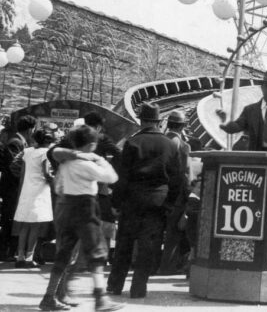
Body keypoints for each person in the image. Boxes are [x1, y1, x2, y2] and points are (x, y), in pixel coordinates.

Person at [39, 125, 122, 311]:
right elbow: (111, 177)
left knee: (63, 254)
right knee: (96, 253)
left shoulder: (66, 163)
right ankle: (100, 298)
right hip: (86, 208)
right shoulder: (88, 165)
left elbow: (58, 186)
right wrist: (100, 159)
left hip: (66, 206)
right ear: (92, 145)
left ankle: (49, 296)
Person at [106, 103, 184, 299]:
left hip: (132, 200)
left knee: (124, 244)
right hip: (158, 203)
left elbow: (122, 177)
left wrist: (116, 203)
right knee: (149, 247)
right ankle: (138, 288)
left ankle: (115, 285)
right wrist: (169, 204)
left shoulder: (133, 143)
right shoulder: (170, 145)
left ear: (141, 121)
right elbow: (178, 179)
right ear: (158, 122)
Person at [218, 70, 267, 152]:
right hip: (257, 157)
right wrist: (225, 121)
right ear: (262, 88)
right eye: (266, 86)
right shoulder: (250, 110)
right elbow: (236, 127)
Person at [13, 128, 55, 268]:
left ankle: (19, 256)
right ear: (48, 141)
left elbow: (22, 171)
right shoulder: (46, 153)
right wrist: (56, 181)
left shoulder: (28, 151)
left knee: (24, 225)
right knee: (35, 226)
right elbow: (46, 173)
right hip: (40, 192)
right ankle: (29, 257)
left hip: (26, 190)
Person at [157, 110, 191, 275]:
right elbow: (181, 172)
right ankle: (167, 267)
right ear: (182, 126)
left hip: (160, 191)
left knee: (157, 231)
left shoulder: (162, 139)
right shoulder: (179, 143)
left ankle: (153, 265)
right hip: (175, 194)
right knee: (173, 233)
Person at [0, 114, 37, 260]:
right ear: (30, 130)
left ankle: (10, 251)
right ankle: (4, 251)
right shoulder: (15, 142)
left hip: (16, 189)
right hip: (11, 189)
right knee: (9, 219)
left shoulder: (21, 143)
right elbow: (14, 167)